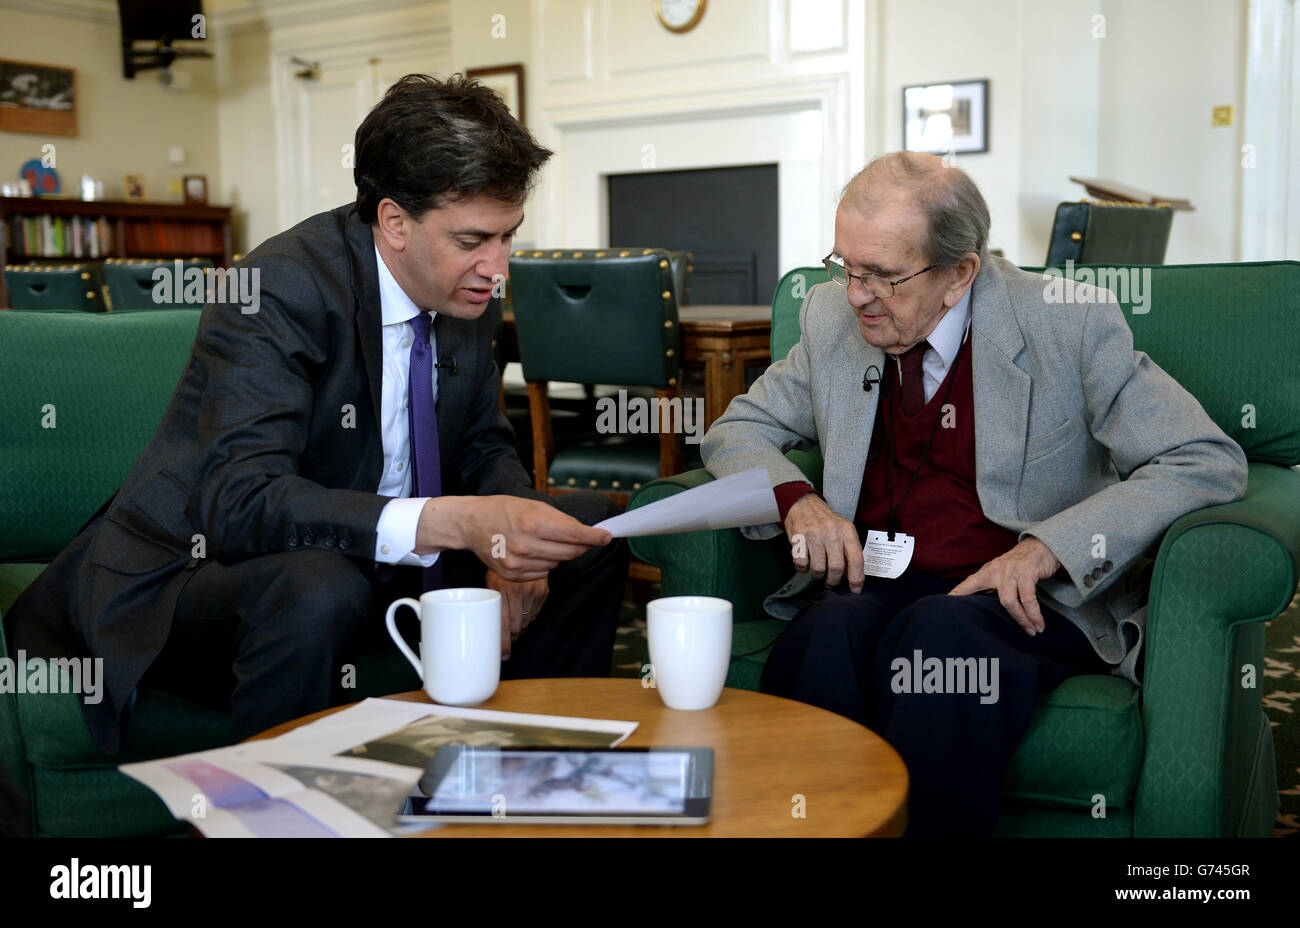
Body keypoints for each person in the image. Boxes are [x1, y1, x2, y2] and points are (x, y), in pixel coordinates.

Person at [4, 74, 629, 757]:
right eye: (474, 240)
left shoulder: (461, 292)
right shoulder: (279, 287)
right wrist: (452, 521)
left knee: (586, 534)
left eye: (508, 237)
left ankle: (530, 765)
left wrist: (518, 534)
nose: (496, 267)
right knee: (317, 587)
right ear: (393, 221)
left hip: (369, 548)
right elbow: (240, 501)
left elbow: (480, 445)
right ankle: (270, 814)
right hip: (199, 569)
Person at [701, 151, 1247, 836]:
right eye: (847, 266)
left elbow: (1203, 457)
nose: (858, 295)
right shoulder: (829, 319)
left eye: (884, 276)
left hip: (1025, 597)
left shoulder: (1065, 323)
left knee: (940, 640)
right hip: (880, 577)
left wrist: (1050, 547)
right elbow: (736, 429)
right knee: (827, 632)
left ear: (960, 273)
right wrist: (796, 499)